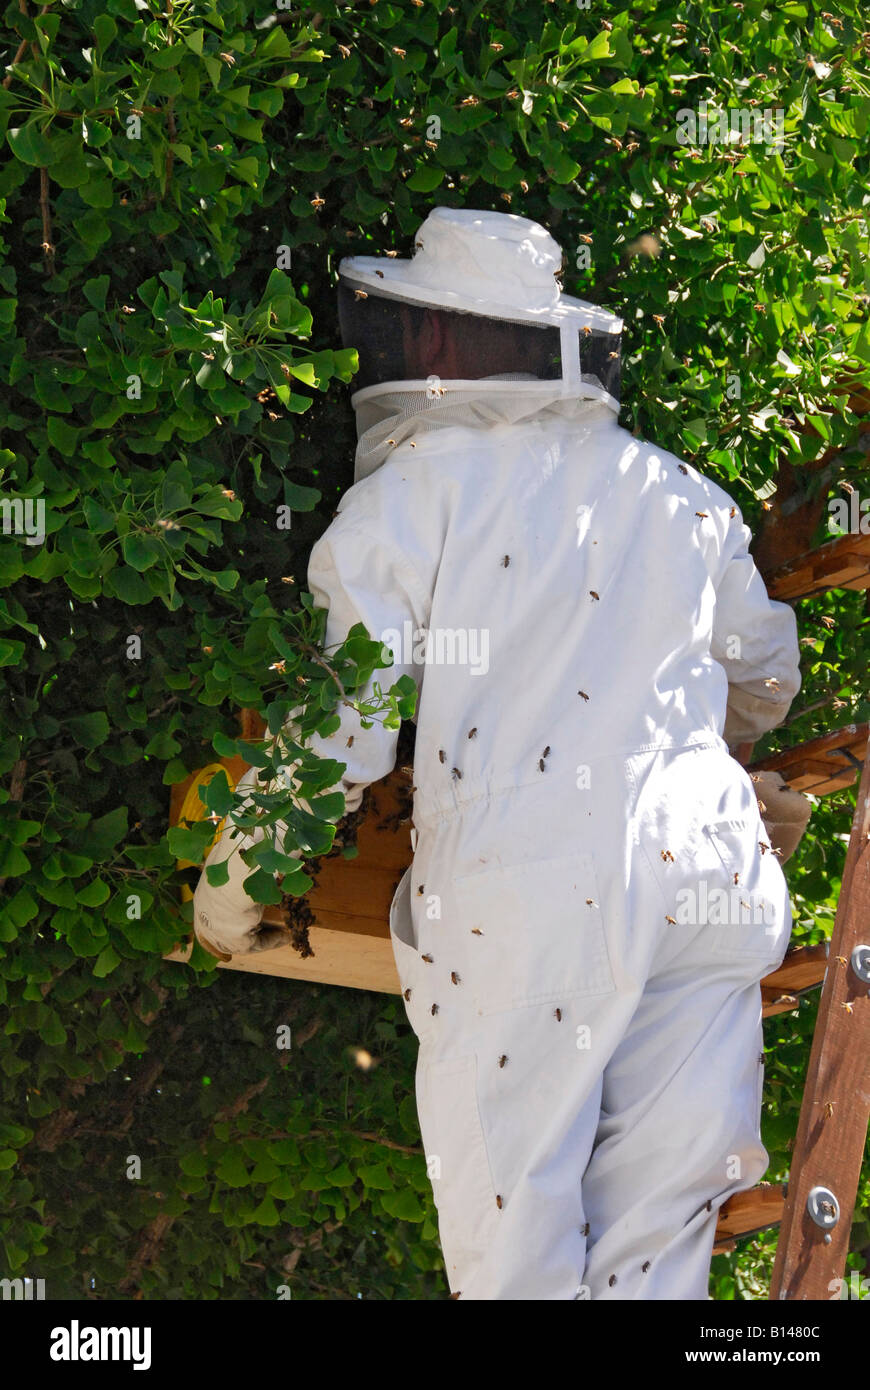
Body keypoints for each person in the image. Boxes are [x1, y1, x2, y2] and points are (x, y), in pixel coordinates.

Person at [193, 207, 811, 1300]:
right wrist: (693, 750)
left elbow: (339, 730)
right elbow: (765, 674)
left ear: (433, 342)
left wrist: (231, 891)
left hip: (525, 901)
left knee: (513, 1249)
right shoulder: (679, 494)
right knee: (660, 1245)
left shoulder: (405, 500)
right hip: (709, 879)